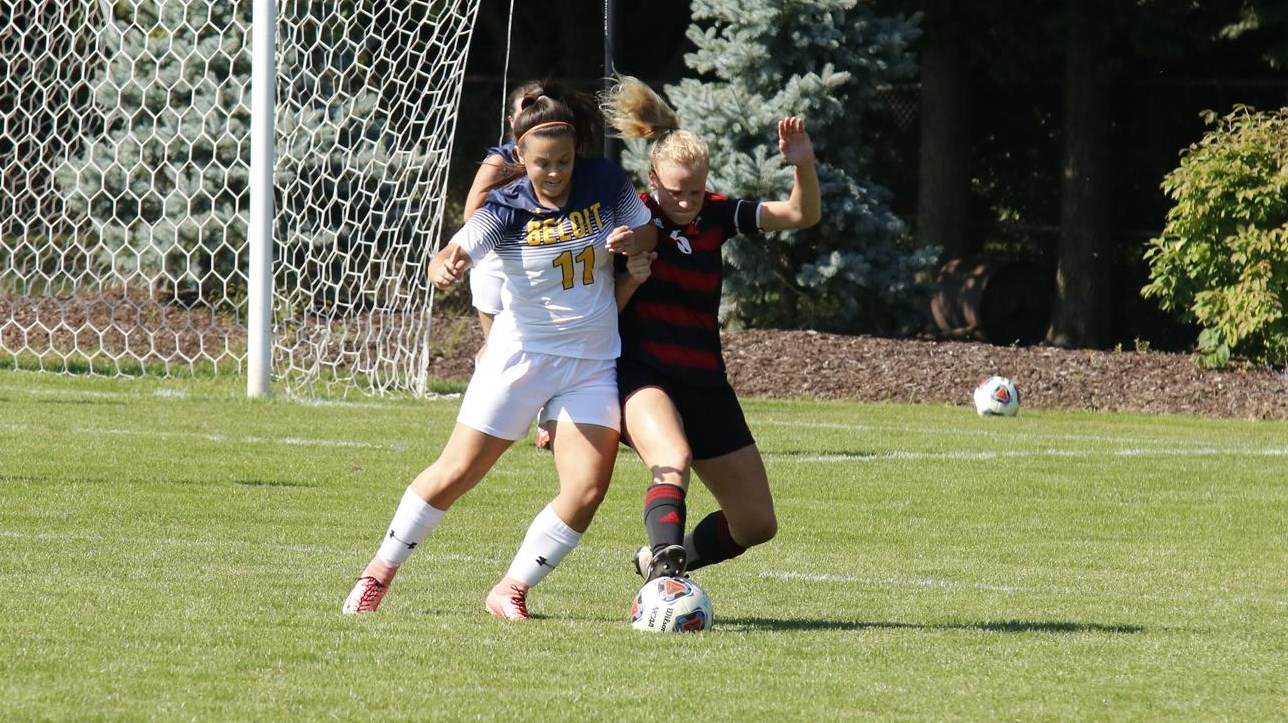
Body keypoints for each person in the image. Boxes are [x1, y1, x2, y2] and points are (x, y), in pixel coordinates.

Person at [343, 81, 657, 620]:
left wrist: (632, 242)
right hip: (520, 361)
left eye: (562, 160)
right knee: (458, 471)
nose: (554, 172)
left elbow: (647, 233)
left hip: (590, 365)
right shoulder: (505, 209)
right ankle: (378, 573)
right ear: (521, 157)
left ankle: (510, 589)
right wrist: (444, 263)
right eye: (541, 163)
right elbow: (458, 247)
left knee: (585, 490)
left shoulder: (605, 180)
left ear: (576, 150)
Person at [603, 75, 821, 581]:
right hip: (642, 376)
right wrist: (631, 270)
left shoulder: (718, 214)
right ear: (652, 182)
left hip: (706, 382)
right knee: (672, 458)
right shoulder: (628, 220)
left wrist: (803, 163)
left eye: (696, 191)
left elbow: (800, 214)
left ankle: (661, 559)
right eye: (675, 192)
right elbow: (593, 318)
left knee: (756, 523)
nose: (686, 202)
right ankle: (665, 569)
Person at [463, 81, 590, 450]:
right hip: (499, 258)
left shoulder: (567, 162)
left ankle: (550, 417)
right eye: (523, 112)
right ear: (513, 122)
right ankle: (492, 412)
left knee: (548, 338)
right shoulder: (500, 160)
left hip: (548, 258)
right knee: (501, 342)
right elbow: (474, 215)